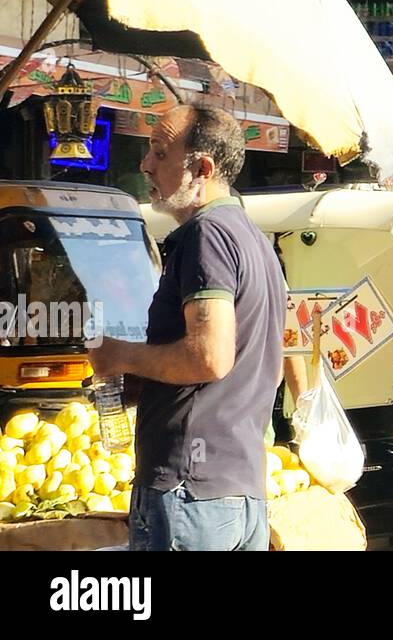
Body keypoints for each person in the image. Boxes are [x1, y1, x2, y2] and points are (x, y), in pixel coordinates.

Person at [89, 106, 287, 551]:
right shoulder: (255, 241)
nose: (145, 165)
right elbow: (262, 368)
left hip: (190, 490)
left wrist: (119, 355)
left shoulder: (208, 235)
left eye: (159, 152)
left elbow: (209, 357)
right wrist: (151, 379)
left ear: (202, 168)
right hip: (238, 493)